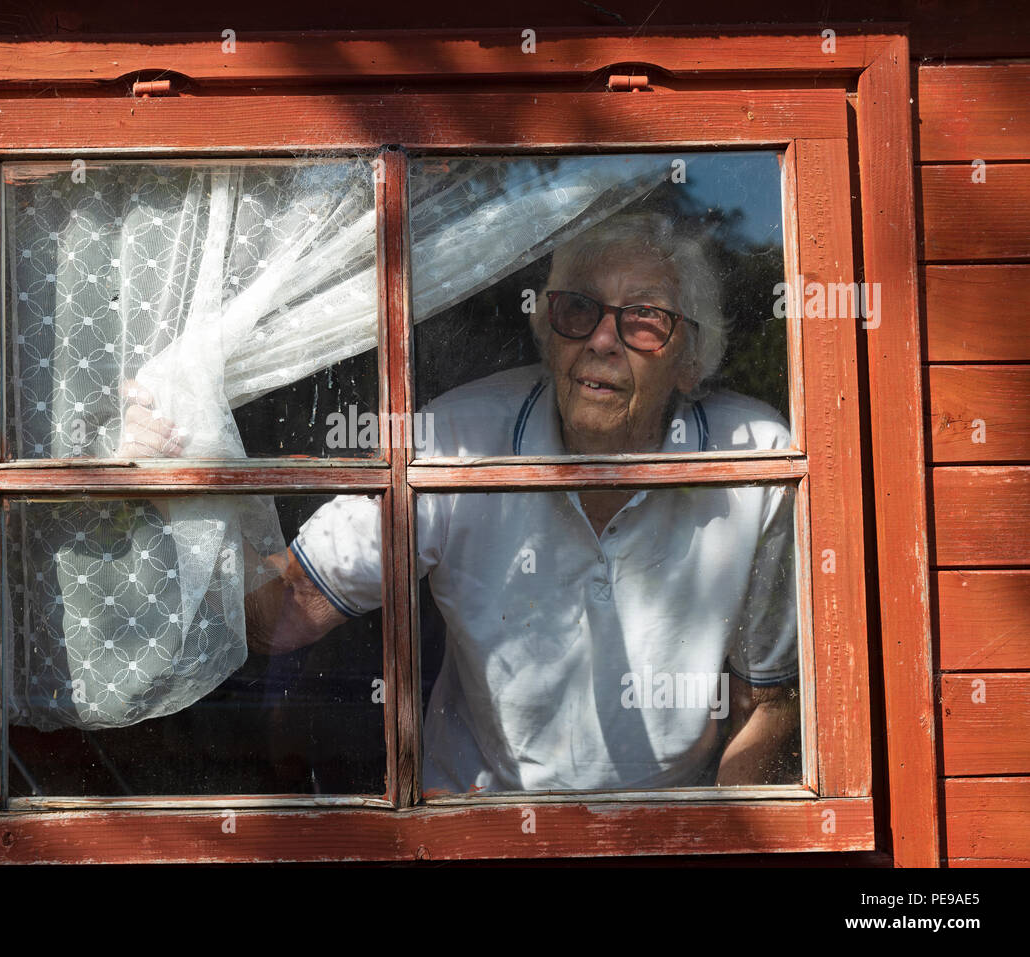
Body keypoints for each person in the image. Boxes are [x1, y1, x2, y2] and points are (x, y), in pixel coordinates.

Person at [121, 210, 800, 794]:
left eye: (644, 319)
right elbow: (286, 611)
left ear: (691, 358)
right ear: (545, 332)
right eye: (577, 309)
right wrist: (177, 491)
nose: (601, 338)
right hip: (479, 823)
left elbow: (766, 699)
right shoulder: (454, 439)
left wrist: (718, 840)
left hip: (667, 828)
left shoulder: (759, 456)